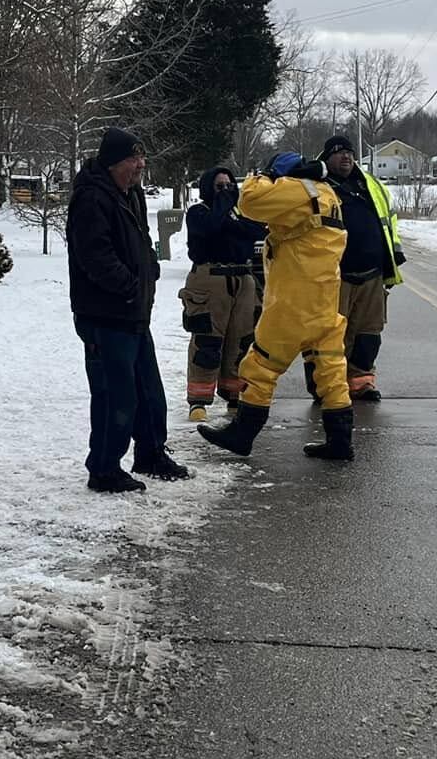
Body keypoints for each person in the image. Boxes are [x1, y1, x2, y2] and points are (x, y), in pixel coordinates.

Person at [197, 152, 355, 462]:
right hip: (324, 300)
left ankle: (242, 434)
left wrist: (264, 174)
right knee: (331, 371)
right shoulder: (327, 194)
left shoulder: (298, 191)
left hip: (293, 302)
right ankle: (340, 441)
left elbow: (249, 202)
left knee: (260, 366)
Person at [67, 128, 192, 491]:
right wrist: (130, 285)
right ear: (112, 163)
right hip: (106, 316)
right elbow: (96, 257)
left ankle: (150, 452)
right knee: (114, 395)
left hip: (134, 313)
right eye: (132, 159)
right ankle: (104, 468)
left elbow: (137, 242)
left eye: (141, 158)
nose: (140, 165)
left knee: (148, 390)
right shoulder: (92, 198)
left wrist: (148, 267)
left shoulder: (129, 194)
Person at [317, 134, 405, 401]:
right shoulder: (316, 186)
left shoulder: (370, 184)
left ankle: (361, 383)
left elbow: (389, 218)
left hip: (371, 274)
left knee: (369, 333)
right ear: (327, 157)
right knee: (330, 336)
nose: (346, 157)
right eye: (339, 152)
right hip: (334, 275)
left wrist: (395, 250)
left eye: (350, 152)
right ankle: (327, 387)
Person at [179, 166, 267, 422]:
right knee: (208, 341)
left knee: (241, 341)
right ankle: (199, 401)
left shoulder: (240, 213)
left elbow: (256, 232)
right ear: (208, 188)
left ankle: (234, 394)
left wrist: (231, 220)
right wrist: (226, 216)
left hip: (242, 279)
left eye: (230, 186)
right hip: (210, 280)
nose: (226, 191)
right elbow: (208, 229)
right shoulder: (198, 212)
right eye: (220, 187)